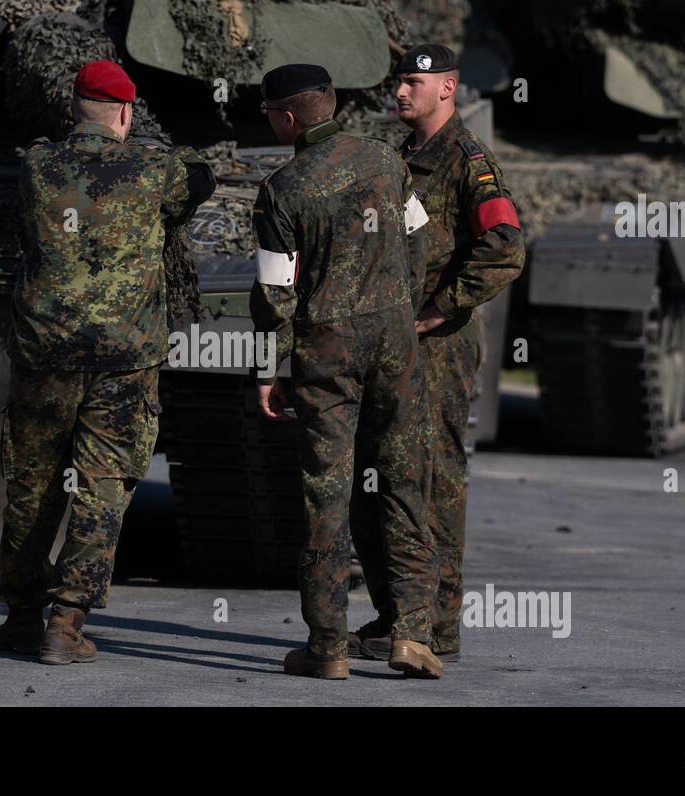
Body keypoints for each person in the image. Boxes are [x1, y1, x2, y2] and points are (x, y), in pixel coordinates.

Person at [0, 59, 215, 665]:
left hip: (46, 353)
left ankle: (18, 614)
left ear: (73, 109)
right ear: (124, 111)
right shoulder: (153, 168)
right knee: (103, 487)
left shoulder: (37, 166)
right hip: (123, 358)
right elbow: (200, 183)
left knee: (32, 483)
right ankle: (66, 624)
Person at [251, 63, 443, 679]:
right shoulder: (387, 161)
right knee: (405, 481)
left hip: (324, 354)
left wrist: (268, 370)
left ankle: (328, 646)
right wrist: (400, 306)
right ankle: (413, 634)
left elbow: (275, 294)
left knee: (325, 496)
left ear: (286, 117)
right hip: (394, 341)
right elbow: (419, 239)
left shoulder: (283, 189)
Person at [348, 44, 526, 662]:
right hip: (399, 341)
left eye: (415, 82)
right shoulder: (405, 157)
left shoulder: (467, 160)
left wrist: (441, 307)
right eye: (399, 81)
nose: (401, 92)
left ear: (448, 87)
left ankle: (438, 626)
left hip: (440, 345)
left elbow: (504, 247)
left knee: (433, 480)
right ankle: (398, 617)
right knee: (383, 481)